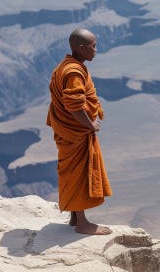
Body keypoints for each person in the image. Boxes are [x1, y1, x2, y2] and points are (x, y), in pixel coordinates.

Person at [46, 28, 112, 235]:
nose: (96, 50)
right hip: (76, 133)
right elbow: (74, 105)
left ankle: (75, 217)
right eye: (93, 46)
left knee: (72, 172)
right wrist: (90, 125)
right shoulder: (73, 72)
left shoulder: (67, 66)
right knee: (79, 174)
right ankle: (83, 223)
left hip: (69, 132)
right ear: (81, 48)